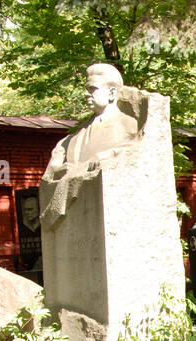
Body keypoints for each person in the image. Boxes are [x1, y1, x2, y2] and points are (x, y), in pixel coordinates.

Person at [40, 63, 141, 232]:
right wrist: (58, 169)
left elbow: (134, 153)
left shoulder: (129, 126)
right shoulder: (73, 138)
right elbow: (50, 175)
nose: (85, 94)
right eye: (86, 89)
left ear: (112, 93)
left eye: (92, 89)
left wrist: (105, 156)